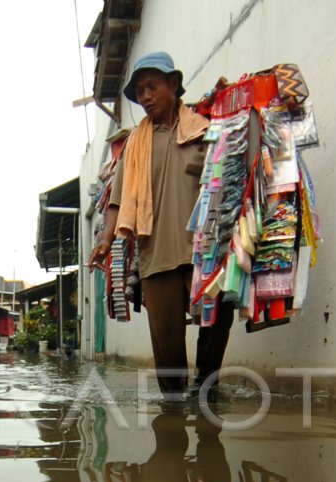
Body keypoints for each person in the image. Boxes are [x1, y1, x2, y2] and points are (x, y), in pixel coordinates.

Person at [90, 52, 235, 401]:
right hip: (155, 256)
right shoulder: (135, 144)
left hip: (203, 251)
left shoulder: (204, 129)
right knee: (166, 344)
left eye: (152, 86)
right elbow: (117, 200)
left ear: (173, 84)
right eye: (140, 91)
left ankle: (207, 388)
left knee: (219, 315)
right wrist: (105, 240)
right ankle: (173, 408)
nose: (145, 97)